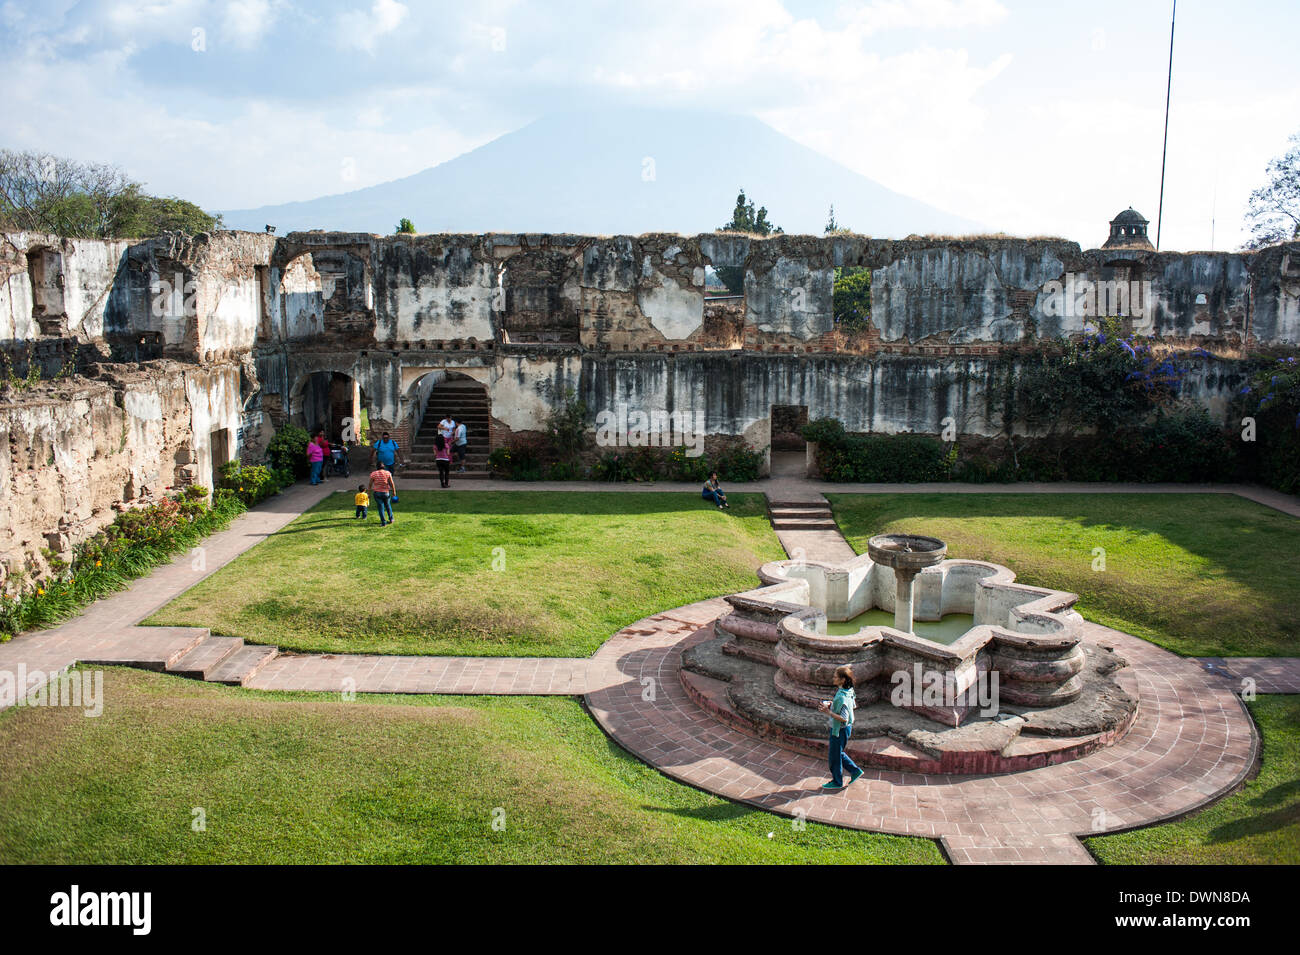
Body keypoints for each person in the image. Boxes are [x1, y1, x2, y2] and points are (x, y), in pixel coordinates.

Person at [817, 665, 863, 790]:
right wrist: (832, 704)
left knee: (834, 757)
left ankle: (837, 782)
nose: (833, 678)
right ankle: (855, 771)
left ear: (842, 679)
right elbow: (851, 706)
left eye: (835, 676)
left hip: (840, 729)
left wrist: (828, 712)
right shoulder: (848, 690)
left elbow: (844, 717)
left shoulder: (841, 696)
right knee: (838, 752)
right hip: (846, 729)